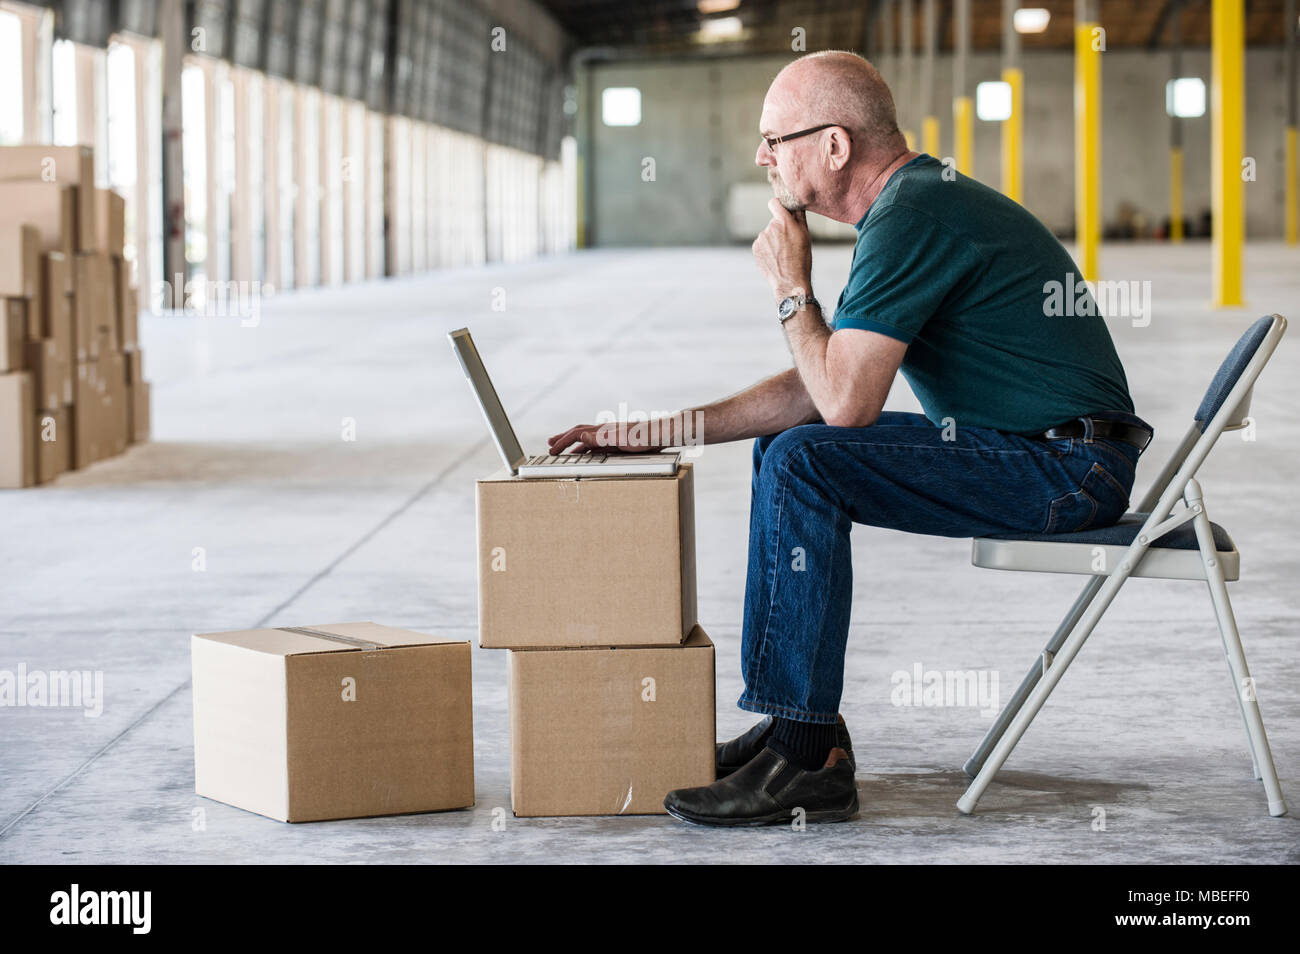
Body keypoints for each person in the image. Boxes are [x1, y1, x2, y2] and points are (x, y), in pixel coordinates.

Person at [548, 50, 1152, 827]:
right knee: (787, 450)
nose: (761, 157)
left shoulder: (912, 216)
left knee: (806, 460)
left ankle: (804, 758)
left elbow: (841, 406)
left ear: (834, 145)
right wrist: (658, 431)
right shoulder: (911, 207)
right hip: (1045, 452)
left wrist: (792, 289)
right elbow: (821, 384)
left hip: (1068, 471)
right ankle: (801, 728)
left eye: (775, 139)